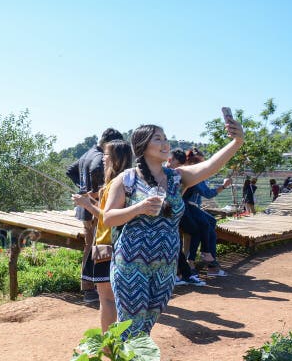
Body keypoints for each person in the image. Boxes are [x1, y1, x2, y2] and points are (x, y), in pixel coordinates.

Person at [103, 118, 244, 338]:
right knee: (131, 325)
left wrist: (236, 142)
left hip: (165, 266)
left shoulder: (178, 178)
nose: (165, 143)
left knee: (147, 323)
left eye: (166, 138)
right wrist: (138, 208)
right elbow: (108, 218)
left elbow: (211, 166)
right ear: (142, 146)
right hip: (131, 264)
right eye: (158, 139)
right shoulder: (127, 179)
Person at [72, 140, 133, 333]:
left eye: (106, 154)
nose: (103, 158)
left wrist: (87, 205)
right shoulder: (130, 181)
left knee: (107, 299)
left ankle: (110, 347)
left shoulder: (113, 184)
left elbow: (107, 218)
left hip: (107, 246)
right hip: (125, 247)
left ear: (115, 159)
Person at [66, 128, 124, 304]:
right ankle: (97, 288)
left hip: (85, 208)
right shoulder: (101, 159)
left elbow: (70, 170)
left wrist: (82, 189)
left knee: (89, 247)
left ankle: (88, 288)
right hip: (95, 209)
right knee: (98, 247)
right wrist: (92, 193)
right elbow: (100, 189)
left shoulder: (88, 153)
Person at [182, 148, 231, 277]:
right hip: (188, 207)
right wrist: (223, 186)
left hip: (192, 207)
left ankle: (208, 262)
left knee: (211, 224)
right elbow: (208, 193)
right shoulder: (194, 175)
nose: (205, 167)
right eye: (202, 164)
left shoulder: (193, 173)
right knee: (202, 227)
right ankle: (203, 258)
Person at [166, 149, 206, 287]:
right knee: (177, 243)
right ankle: (183, 272)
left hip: (174, 215)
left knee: (178, 243)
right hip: (165, 218)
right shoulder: (161, 173)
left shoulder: (179, 174)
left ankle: (184, 273)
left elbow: (179, 196)